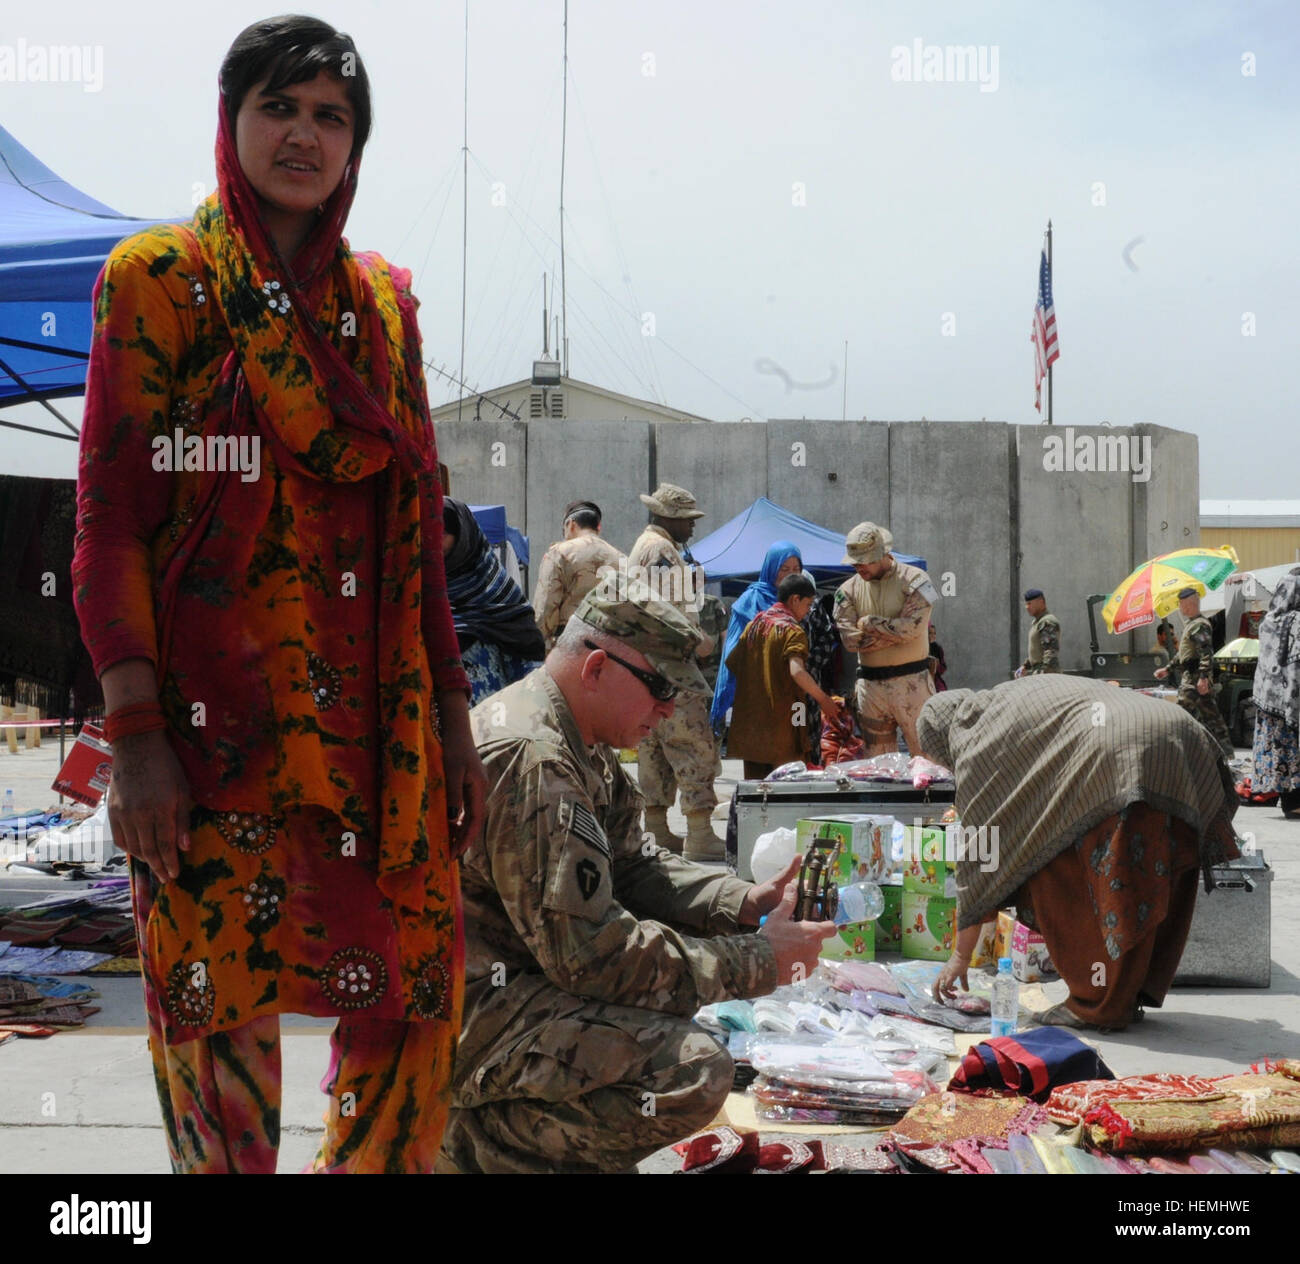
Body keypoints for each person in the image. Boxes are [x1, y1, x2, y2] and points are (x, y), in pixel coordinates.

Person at [70, 17, 486, 1173]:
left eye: (332, 115)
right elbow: (111, 521)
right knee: (215, 1024)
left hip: (379, 743)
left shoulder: (385, 307)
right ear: (231, 120)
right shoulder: (158, 283)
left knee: (413, 1006)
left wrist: (453, 724)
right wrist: (136, 730)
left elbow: (417, 535)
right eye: (280, 107)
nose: (305, 134)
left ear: (356, 145)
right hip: (213, 735)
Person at [438, 578, 836, 1173]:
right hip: (474, 1016)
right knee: (692, 1069)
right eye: (659, 687)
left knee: (672, 1005)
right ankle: (470, 1143)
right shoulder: (537, 760)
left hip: (515, 982)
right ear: (597, 666)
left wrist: (740, 901)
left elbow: (632, 863)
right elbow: (593, 956)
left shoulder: (578, 734)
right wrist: (757, 961)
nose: (671, 708)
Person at [922, 676, 1238, 1032]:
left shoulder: (977, 743)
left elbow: (982, 854)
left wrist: (961, 955)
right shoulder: (1002, 701)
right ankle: (1127, 992)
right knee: (1154, 871)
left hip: (1125, 755)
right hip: (1182, 736)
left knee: (1058, 871)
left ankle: (1097, 1003)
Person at [628, 483, 723, 860]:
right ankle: (699, 833)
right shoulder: (662, 550)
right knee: (694, 745)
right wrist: (697, 642)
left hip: (648, 667)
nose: (692, 528)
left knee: (653, 748)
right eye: (687, 520)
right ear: (668, 517)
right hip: (672, 666)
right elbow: (664, 611)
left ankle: (656, 828)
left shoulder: (644, 547)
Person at [832, 521, 938, 757]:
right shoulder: (847, 590)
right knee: (878, 765)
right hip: (871, 691)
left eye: (865, 560)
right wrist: (896, 633)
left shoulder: (916, 580)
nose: (859, 567)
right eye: (855, 562)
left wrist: (869, 623)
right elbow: (850, 641)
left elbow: (912, 628)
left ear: (883, 554)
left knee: (928, 758)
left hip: (913, 684)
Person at [725, 573, 843, 779]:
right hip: (792, 715)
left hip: (752, 723)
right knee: (789, 781)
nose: (807, 612)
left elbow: (734, 663)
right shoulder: (792, 630)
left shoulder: (755, 624)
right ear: (794, 599)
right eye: (807, 605)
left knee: (756, 789)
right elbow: (797, 671)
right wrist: (824, 700)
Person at [442, 497, 546, 705]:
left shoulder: (501, 599)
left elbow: (531, 679)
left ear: (463, 538)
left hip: (495, 726)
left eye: (442, 534)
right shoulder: (416, 595)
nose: (430, 542)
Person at [709, 540, 803, 735]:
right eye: (784, 569)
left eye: (796, 568)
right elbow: (733, 653)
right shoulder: (750, 601)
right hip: (759, 693)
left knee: (795, 752)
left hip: (795, 693)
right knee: (761, 755)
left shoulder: (804, 602)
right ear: (771, 568)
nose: (791, 574)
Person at [530, 500, 625, 651]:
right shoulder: (621, 558)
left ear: (571, 524)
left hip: (568, 647)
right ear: (597, 528)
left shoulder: (559, 553)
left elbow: (545, 610)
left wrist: (536, 644)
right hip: (610, 650)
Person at [1155, 587, 1234, 759]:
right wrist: (1167, 669)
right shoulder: (1192, 625)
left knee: (1180, 717)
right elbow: (1183, 655)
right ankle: (1225, 754)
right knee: (1212, 718)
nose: (1180, 607)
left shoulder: (1199, 625)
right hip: (1193, 678)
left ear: (1189, 604)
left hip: (1195, 680)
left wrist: (1204, 678)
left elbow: (1206, 651)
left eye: (1181, 604)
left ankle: (1174, 755)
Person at [1251, 567, 1300, 817]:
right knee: (1292, 752)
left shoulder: (1268, 621)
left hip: (1266, 700)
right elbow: (1294, 666)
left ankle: (1289, 802)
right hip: (1289, 700)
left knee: (1280, 752)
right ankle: (1294, 803)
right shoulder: (1296, 622)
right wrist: (1293, 708)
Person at [1015, 588, 1061, 676]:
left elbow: (1050, 651)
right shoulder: (1038, 622)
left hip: (1047, 674)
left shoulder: (1047, 621)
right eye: (1026, 604)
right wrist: (1025, 666)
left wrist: (1044, 674)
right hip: (1039, 671)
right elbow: (1037, 651)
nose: (1027, 607)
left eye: (1029, 603)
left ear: (1041, 602)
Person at [928, 621, 949, 692]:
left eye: (934, 633)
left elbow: (943, 666)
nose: (932, 635)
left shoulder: (938, 648)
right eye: (930, 633)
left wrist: (937, 666)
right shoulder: (920, 648)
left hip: (936, 679)